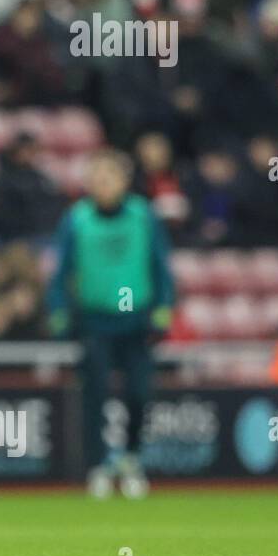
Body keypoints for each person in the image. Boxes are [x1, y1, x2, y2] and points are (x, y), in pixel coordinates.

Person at [47, 149, 175, 500]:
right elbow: (61, 271)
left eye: (110, 178)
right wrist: (58, 310)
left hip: (136, 322)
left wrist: (164, 307)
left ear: (123, 182)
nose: (103, 185)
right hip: (94, 322)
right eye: (97, 179)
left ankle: (132, 460)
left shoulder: (142, 215)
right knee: (95, 396)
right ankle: (98, 466)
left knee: (139, 393)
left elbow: (161, 264)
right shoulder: (77, 218)